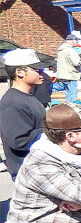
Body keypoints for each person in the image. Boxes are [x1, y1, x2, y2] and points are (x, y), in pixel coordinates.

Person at [0, 48, 49, 177]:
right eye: (37, 70)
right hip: (28, 172)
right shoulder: (12, 103)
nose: (42, 74)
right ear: (20, 72)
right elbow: (19, 141)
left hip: (39, 168)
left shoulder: (27, 97)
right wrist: (54, 130)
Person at [54, 32, 81, 102]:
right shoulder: (70, 50)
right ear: (73, 41)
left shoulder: (61, 50)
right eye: (76, 40)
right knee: (72, 95)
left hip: (62, 74)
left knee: (67, 93)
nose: (77, 41)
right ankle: (71, 108)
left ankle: (49, 87)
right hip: (71, 75)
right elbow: (76, 62)